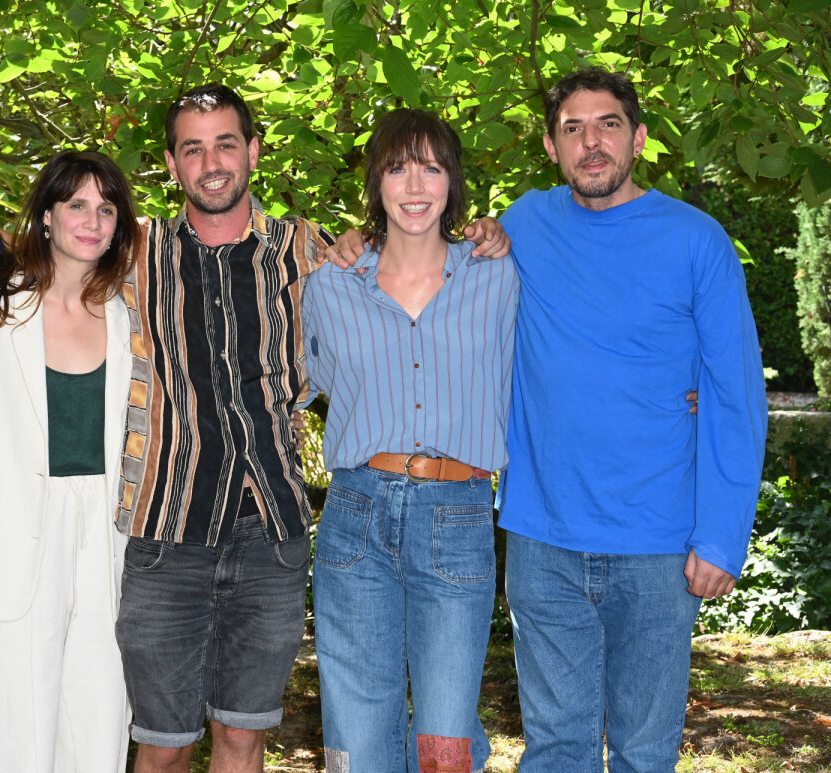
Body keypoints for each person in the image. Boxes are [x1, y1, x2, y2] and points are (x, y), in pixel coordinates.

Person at [324, 66, 767, 772]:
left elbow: (735, 395)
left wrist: (721, 535)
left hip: (659, 543)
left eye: (608, 125)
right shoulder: (523, 226)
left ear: (640, 138)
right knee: (557, 748)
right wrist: (359, 243)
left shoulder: (697, 241)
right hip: (543, 540)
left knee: (645, 752)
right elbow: (429, 264)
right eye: (573, 129)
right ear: (551, 145)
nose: (591, 143)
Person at [112, 84, 511, 773]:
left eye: (227, 143)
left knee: (254, 737)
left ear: (254, 151)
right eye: (193, 148)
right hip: (171, 525)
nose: (212, 162)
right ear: (172, 164)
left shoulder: (317, 255)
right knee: (167, 743)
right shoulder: (135, 252)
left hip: (277, 529)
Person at [302, 108, 518, 773]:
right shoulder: (331, 283)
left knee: (444, 746)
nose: (415, 184)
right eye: (398, 167)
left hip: (456, 515)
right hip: (356, 514)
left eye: (432, 166)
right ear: (376, 181)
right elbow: (289, 385)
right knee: (358, 738)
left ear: (453, 181)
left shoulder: (498, 275)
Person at [0, 150, 139, 772]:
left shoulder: (129, 314)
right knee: (11, 726)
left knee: (98, 718)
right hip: (14, 529)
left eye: (106, 208)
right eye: (77, 205)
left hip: (106, 533)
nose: (92, 221)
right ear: (48, 216)